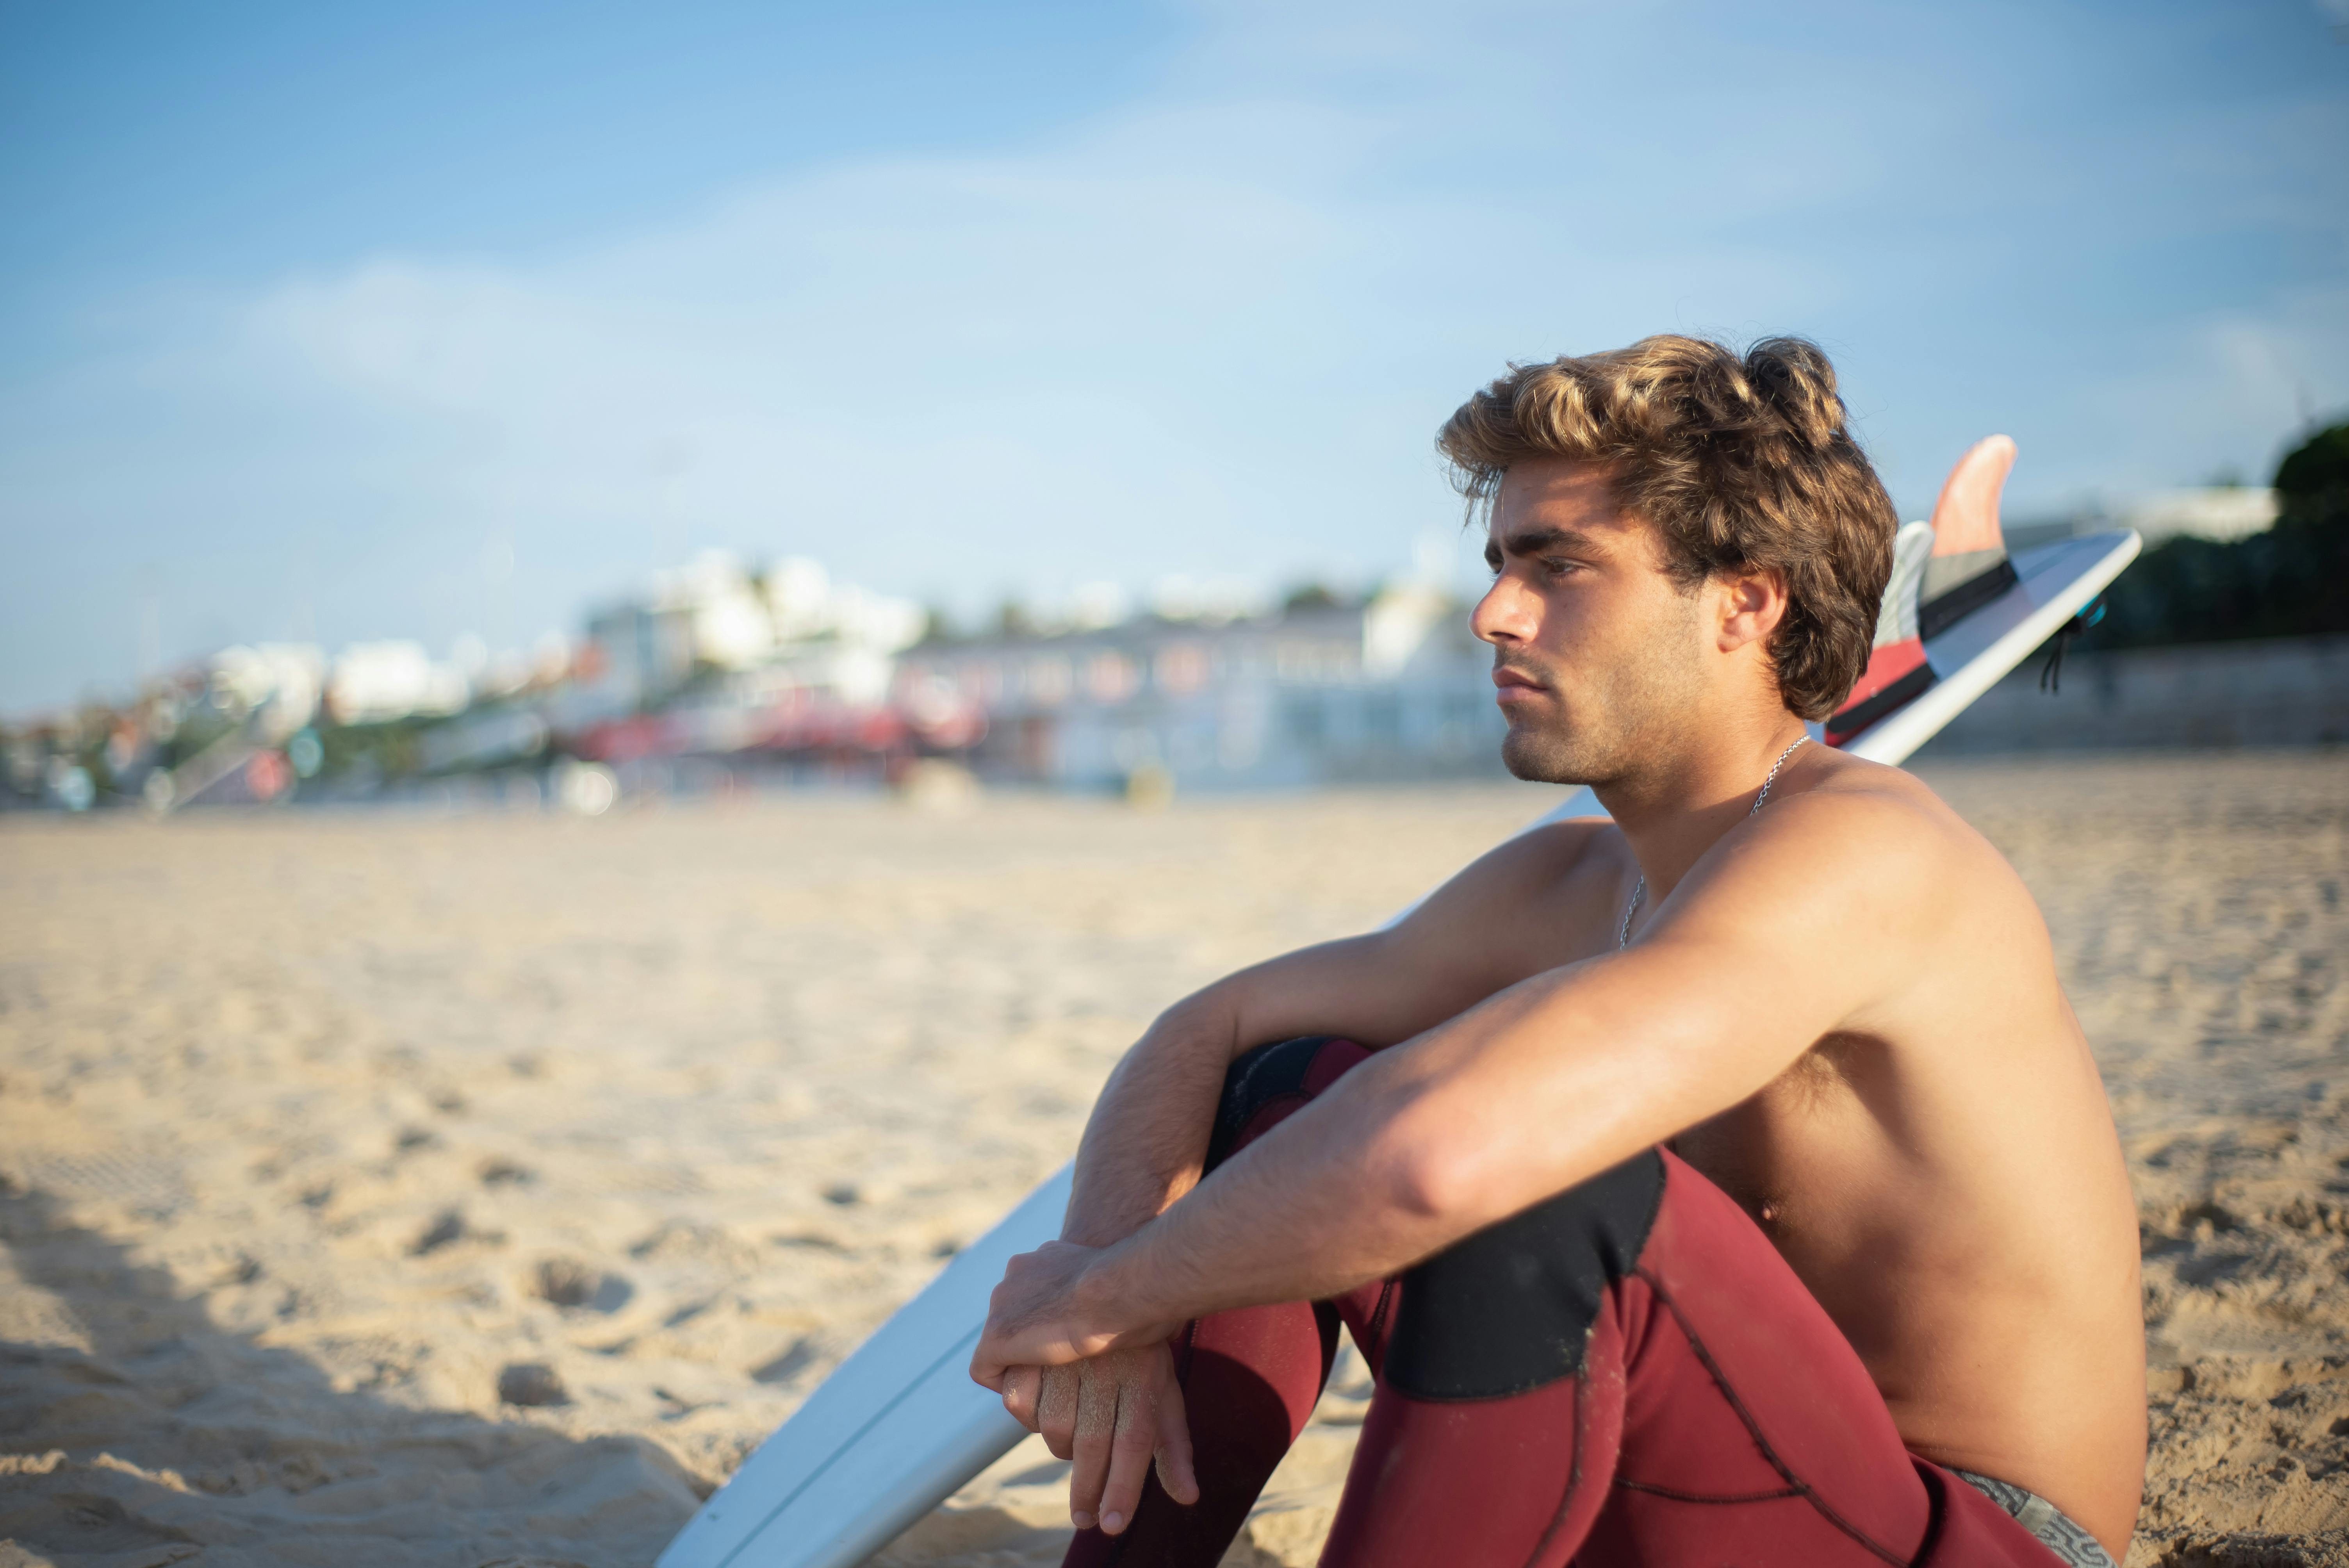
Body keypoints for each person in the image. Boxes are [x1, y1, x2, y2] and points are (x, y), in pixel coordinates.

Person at [969, 335, 2145, 1567]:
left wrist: (1106, 1296)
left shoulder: (1862, 857)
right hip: (1684, 1486)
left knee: (1538, 1191)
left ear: (1745, 601)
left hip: (1957, 1535)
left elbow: (1438, 1161)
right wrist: (1107, 1276)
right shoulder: (1569, 883)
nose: (1493, 613)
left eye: (1560, 566)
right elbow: (1208, 1031)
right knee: (1294, 1082)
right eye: (1499, 563)